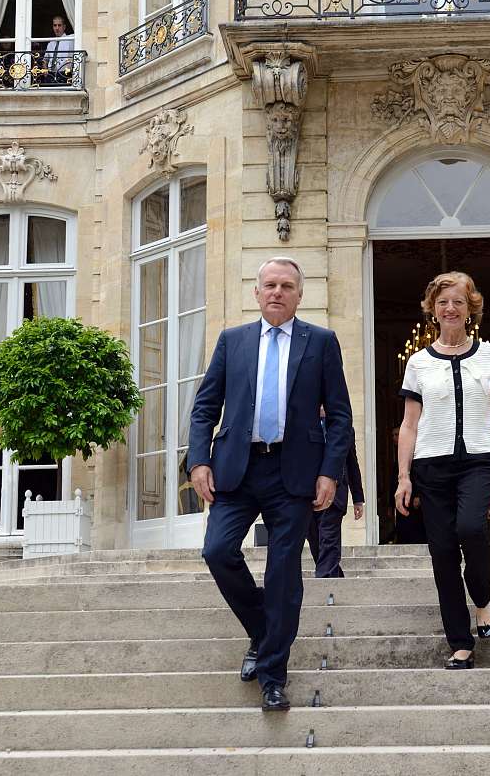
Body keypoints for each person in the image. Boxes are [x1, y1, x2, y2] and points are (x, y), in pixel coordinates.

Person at [188, 256, 353, 712]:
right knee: (217, 551)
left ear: (300, 295)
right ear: (256, 293)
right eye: (269, 285)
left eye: (286, 286)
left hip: (294, 473)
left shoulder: (320, 342)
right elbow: (204, 407)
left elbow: (339, 416)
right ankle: (262, 630)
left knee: (284, 574)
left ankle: (272, 675)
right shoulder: (233, 341)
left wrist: (330, 474)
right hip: (236, 471)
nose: (277, 292)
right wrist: (198, 461)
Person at [395, 271, 490, 670]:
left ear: (470, 309)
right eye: (443, 302)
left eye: (458, 302)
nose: (450, 308)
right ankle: (460, 642)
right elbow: (410, 424)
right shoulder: (418, 362)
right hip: (431, 464)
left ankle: (482, 597)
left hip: (479, 459)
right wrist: (403, 476)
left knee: (471, 529)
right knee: (443, 553)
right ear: (433, 309)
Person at [306, 419, 364, 578]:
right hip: (307, 495)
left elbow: (352, 464)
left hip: (336, 494)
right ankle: (336, 579)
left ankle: (325, 584)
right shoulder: (304, 423)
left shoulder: (344, 429)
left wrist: (358, 498)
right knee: (316, 544)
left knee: (328, 540)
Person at [41, 16, 75, 86]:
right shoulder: (50, 43)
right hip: (50, 75)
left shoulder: (70, 39)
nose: (57, 28)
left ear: (64, 27)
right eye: (55, 25)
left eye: (59, 25)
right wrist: (45, 71)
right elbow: (45, 60)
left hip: (64, 74)